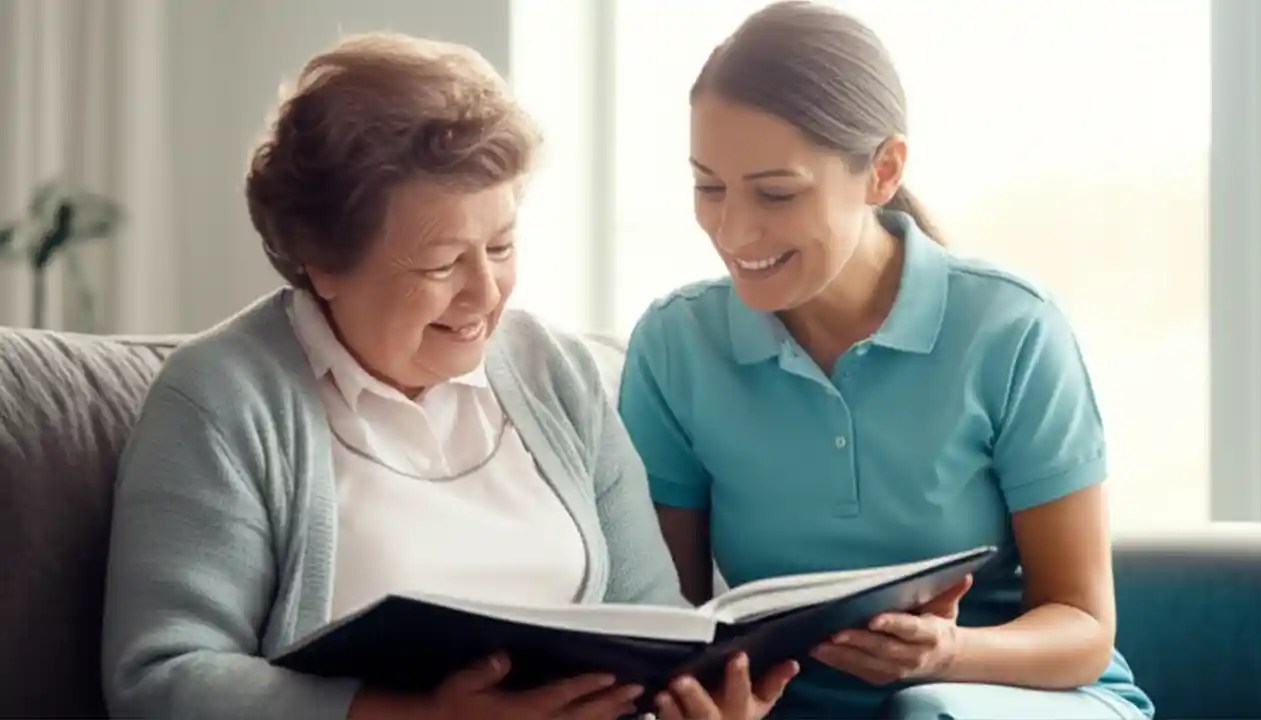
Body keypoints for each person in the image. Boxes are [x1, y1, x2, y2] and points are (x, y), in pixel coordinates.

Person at [99, 32, 797, 720]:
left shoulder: (554, 372)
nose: (485, 292)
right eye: (441, 264)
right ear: (322, 262)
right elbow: (162, 678)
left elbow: (653, 621)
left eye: (501, 245)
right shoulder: (222, 397)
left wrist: (699, 703)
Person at [617, 3, 1156, 719]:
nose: (732, 228)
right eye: (708, 186)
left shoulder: (1011, 327)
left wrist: (949, 653)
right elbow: (667, 625)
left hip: (1013, 697)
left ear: (883, 170)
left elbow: (1083, 630)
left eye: (776, 192)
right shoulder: (674, 345)